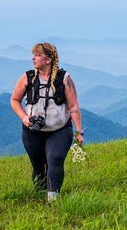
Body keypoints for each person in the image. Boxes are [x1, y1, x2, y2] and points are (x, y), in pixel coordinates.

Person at [10, 42, 84, 202]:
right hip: (32, 131)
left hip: (59, 129)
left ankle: (53, 201)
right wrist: (24, 117)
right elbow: (14, 100)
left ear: (48, 59)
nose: (33, 58)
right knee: (38, 166)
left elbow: (74, 107)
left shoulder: (64, 78)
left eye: (37, 54)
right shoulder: (27, 77)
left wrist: (79, 132)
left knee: (55, 160)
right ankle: (39, 194)